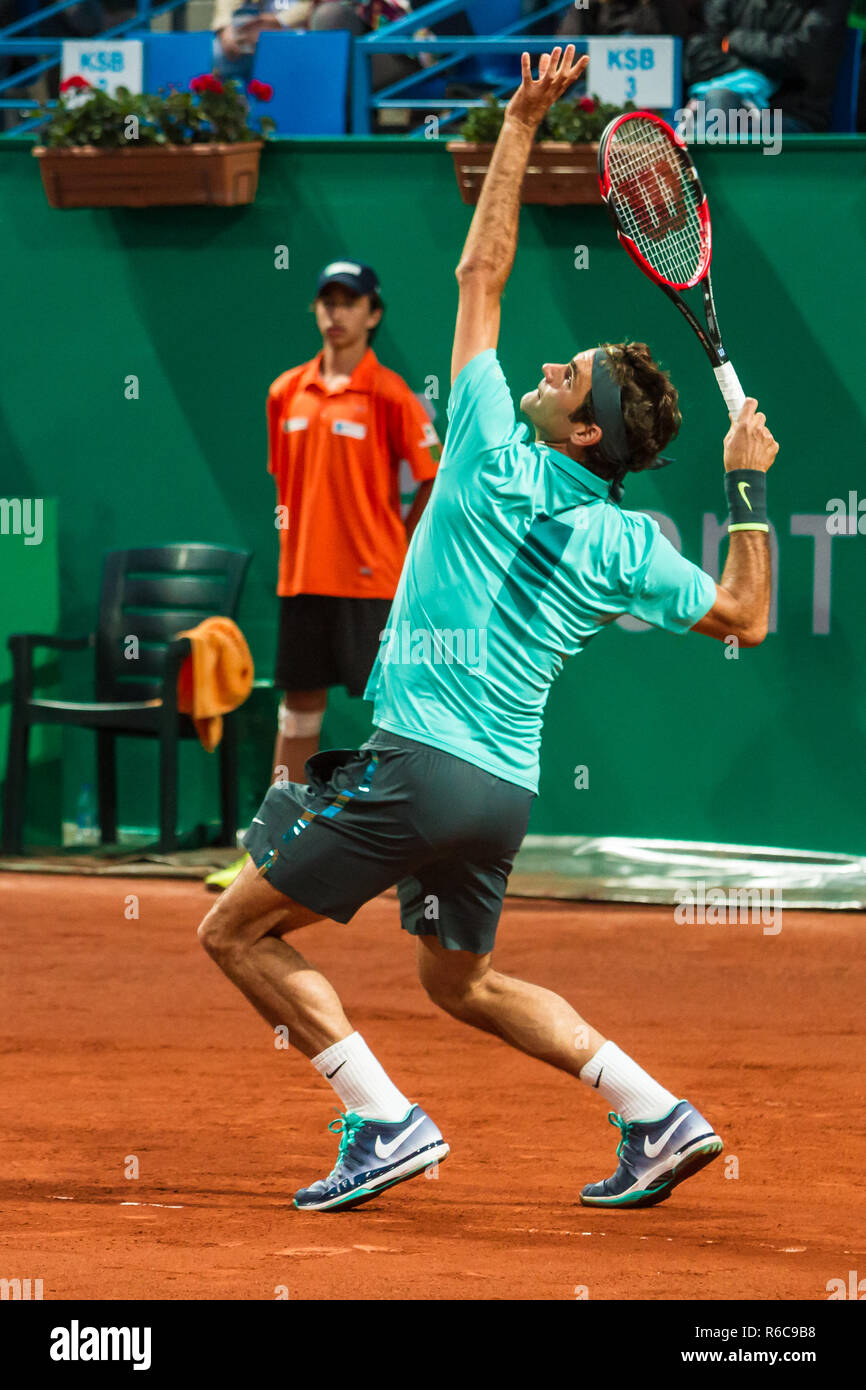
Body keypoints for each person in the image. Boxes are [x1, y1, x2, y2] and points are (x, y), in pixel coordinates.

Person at [197, 47, 779, 1212]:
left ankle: (381, 1117)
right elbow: (746, 616)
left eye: (576, 378)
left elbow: (481, 267)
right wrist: (747, 485)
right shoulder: (624, 546)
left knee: (235, 932)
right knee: (455, 980)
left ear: (579, 435)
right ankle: (655, 1114)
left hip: (419, 769)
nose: (555, 365)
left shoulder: (482, 443)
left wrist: (518, 123)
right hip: (499, 791)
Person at [205, 259, 439, 892]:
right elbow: (286, 479)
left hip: (374, 582)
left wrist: (401, 543)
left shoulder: (391, 394)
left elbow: (432, 476)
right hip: (304, 576)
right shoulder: (285, 391)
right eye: (327, 301)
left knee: (401, 719)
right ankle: (269, 852)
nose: (336, 313)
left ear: (373, 313)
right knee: (297, 712)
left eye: (349, 302)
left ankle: (405, 854)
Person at [685, 1, 851, 133]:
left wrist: (735, 40)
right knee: (720, 99)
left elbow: (803, 57)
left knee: (723, 123)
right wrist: (759, 70)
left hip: (791, 114)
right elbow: (699, 55)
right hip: (727, 107)